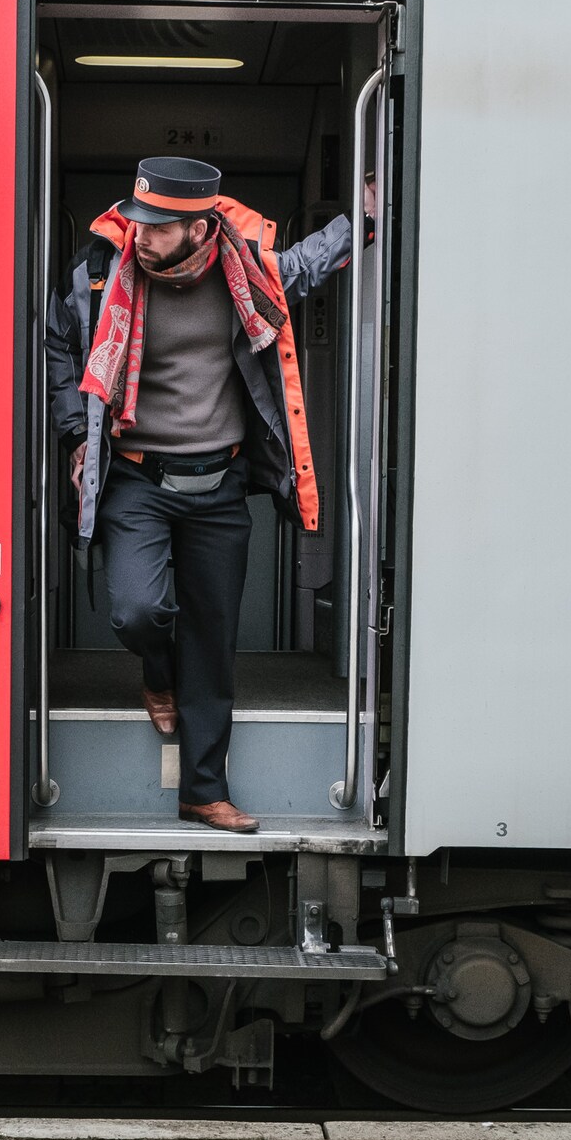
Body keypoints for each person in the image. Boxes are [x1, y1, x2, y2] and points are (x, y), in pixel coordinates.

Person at [45, 156, 356, 833]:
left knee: (213, 644)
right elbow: (59, 343)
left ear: (200, 228)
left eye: (157, 227)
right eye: (136, 219)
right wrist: (76, 432)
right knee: (137, 611)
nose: (140, 234)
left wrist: (363, 215)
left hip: (219, 486)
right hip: (136, 478)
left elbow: (307, 261)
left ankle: (203, 791)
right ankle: (157, 673)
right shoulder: (101, 269)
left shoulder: (246, 271)